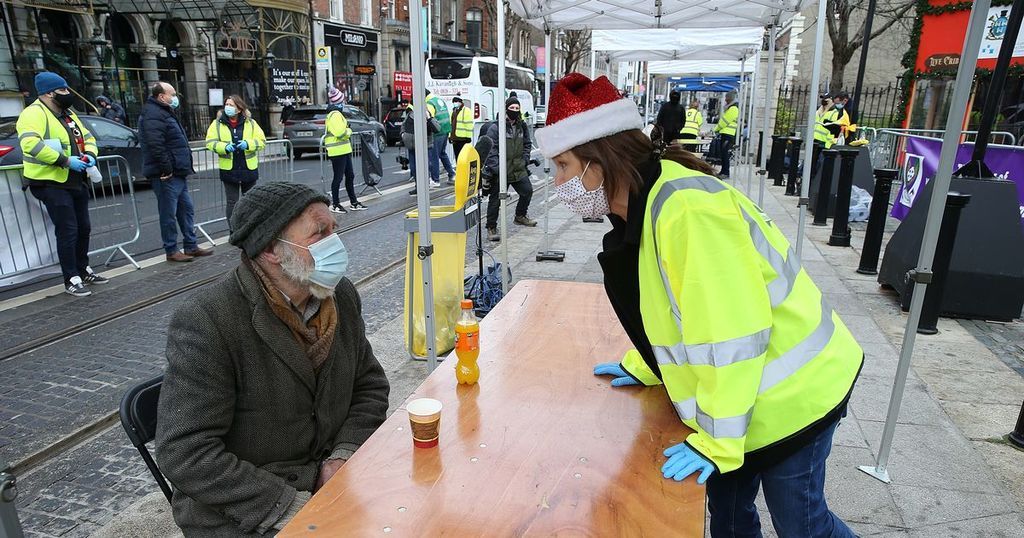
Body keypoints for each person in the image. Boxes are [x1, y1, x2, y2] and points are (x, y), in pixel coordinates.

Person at [535, 73, 863, 538]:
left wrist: (720, 442)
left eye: (564, 166)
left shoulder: (685, 209)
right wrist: (650, 365)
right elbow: (671, 308)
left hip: (795, 394)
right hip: (743, 399)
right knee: (728, 517)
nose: (559, 181)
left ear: (599, 159)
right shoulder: (645, 204)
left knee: (803, 525)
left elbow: (732, 331)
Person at [156, 182, 390, 535]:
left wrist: (342, 454)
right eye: (319, 233)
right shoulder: (208, 319)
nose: (335, 243)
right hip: (246, 507)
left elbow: (369, 384)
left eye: (333, 229)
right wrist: (290, 505)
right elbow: (185, 453)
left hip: (331, 480)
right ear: (270, 250)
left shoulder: (338, 294)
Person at [17, 72, 107, 297]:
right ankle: (71, 278)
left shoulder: (68, 114)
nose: (68, 94)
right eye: (64, 90)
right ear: (49, 93)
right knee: (68, 230)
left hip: (75, 180)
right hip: (50, 182)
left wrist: (89, 155)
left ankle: (82, 268)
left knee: (83, 227)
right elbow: (30, 144)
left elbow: (88, 137)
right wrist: (66, 161)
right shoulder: (33, 114)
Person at [139, 82, 212, 262]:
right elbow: (156, 145)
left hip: (177, 171)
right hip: (166, 174)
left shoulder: (163, 112)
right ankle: (171, 249)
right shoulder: (153, 114)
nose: (175, 97)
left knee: (186, 210)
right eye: (172, 94)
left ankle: (191, 245)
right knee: (168, 213)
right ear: (161, 96)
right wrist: (166, 169)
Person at [205, 94, 267, 224]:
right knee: (232, 202)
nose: (227, 107)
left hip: (248, 168)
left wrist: (248, 144)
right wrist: (225, 147)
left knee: (250, 201)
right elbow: (210, 143)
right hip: (229, 169)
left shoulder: (250, 123)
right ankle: (234, 230)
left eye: (231, 105)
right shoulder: (217, 124)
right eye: (226, 105)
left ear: (239, 109)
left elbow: (261, 141)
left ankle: (249, 228)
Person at [482, 96, 537, 242]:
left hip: (518, 168)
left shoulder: (522, 126)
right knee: (496, 200)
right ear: (506, 109)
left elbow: (527, 143)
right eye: (512, 108)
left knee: (527, 191)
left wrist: (525, 159)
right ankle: (491, 227)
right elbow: (490, 149)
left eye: (517, 108)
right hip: (501, 170)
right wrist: (496, 167)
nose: (514, 111)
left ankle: (520, 216)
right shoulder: (496, 127)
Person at [325, 87, 366, 213]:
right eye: (342, 100)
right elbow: (339, 132)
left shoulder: (336, 114)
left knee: (350, 175)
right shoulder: (335, 115)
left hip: (343, 150)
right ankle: (336, 204)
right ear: (339, 101)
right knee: (338, 177)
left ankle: (353, 202)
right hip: (338, 151)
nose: (344, 103)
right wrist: (349, 131)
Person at [403, 99, 441, 195]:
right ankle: (417, 186)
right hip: (412, 146)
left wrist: (428, 118)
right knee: (414, 167)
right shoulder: (410, 115)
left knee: (425, 166)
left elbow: (437, 129)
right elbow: (403, 125)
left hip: (425, 146)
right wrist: (403, 135)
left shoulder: (428, 116)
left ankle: (424, 186)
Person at [426, 89, 456, 183]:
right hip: (445, 130)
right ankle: (452, 174)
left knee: (433, 156)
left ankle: (435, 180)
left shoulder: (429, 103)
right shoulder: (439, 100)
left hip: (436, 133)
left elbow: (429, 119)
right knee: (442, 154)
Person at [714, 91, 740, 178]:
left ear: (730, 98)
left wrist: (716, 129)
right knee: (723, 153)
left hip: (728, 134)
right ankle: (723, 171)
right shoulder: (732, 108)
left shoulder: (733, 109)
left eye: (726, 97)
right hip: (727, 134)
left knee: (725, 154)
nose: (725, 99)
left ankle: (725, 172)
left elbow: (724, 121)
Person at [449, 95, 474, 164]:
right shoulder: (454, 110)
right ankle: (459, 169)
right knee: (457, 156)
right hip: (455, 138)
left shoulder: (466, 111)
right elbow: (451, 124)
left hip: (463, 138)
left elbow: (469, 125)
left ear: (460, 102)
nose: (455, 103)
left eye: (456, 101)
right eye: (454, 102)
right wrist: (450, 136)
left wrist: (468, 137)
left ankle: (464, 169)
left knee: (463, 156)